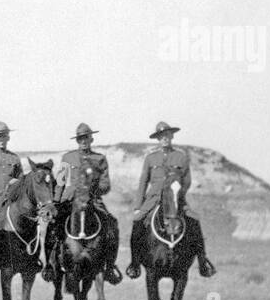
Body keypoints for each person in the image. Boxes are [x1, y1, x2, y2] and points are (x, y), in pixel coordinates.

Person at [126, 121, 217, 278]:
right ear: (158, 139)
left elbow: (187, 181)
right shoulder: (150, 158)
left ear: (172, 136)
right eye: (161, 136)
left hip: (176, 199)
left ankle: (203, 262)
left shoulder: (181, 157)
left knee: (194, 221)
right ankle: (135, 264)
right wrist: (138, 206)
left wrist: (177, 194)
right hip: (153, 199)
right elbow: (143, 182)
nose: (165, 139)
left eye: (167, 135)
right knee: (137, 222)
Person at [54, 122, 122, 284]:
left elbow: (106, 185)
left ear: (91, 138)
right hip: (70, 200)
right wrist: (56, 201)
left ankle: (109, 267)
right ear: (77, 140)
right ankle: (52, 264)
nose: (83, 141)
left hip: (92, 201)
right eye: (80, 139)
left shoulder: (100, 159)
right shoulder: (67, 158)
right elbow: (60, 182)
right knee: (54, 226)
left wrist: (92, 191)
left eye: (86, 138)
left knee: (112, 225)